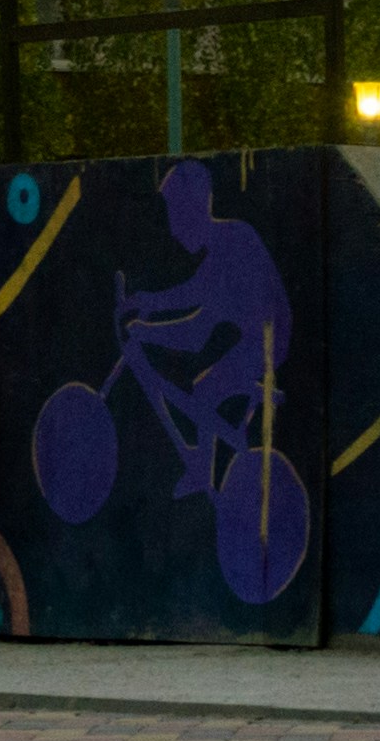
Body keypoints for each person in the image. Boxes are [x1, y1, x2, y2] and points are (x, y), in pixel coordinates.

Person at [116, 161, 285, 496]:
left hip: (268, 341)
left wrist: (145, 321)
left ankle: (202, 471)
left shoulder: (234, 243)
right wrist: (146, 310)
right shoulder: (224, 245)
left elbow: (195, 316)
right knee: (204, 387)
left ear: (196, 208)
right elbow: (194, 315)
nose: (175, 230)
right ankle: (203, 468)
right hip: (257, 337)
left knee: (205, 389)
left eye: (177, 216)